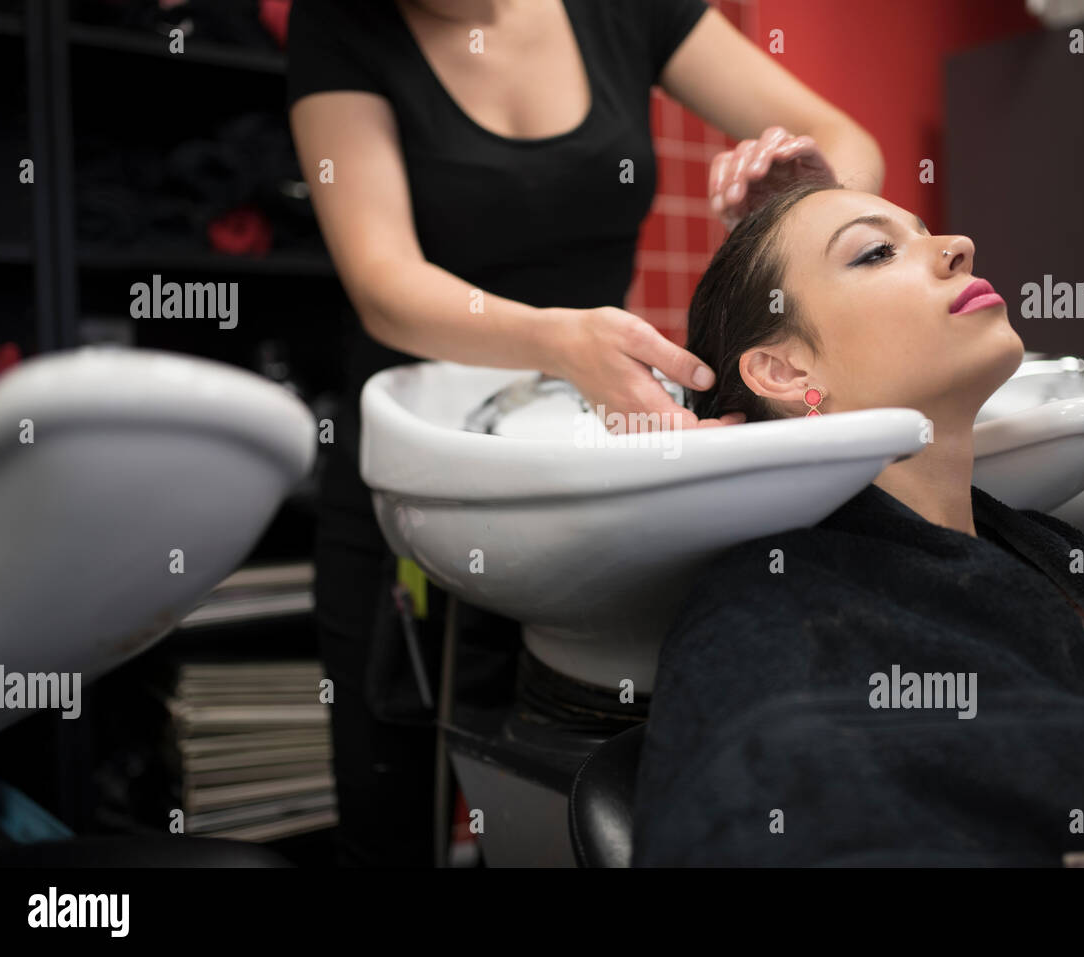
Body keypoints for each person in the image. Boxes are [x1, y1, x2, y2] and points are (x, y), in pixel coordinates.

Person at [285, 0, 885, 866]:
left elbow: (844, 138)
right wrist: (558, 341)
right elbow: (383, 280)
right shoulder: (341, 24)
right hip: (420, 478)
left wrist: (815, 199)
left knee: (570, 785)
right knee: (390, 808)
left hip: (574, 463)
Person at [632, 181, 1084, 866]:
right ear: (785, 370)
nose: (957, 246)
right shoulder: (770, 619)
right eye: (877, 251)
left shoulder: (1046, 555)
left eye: (923, 231)